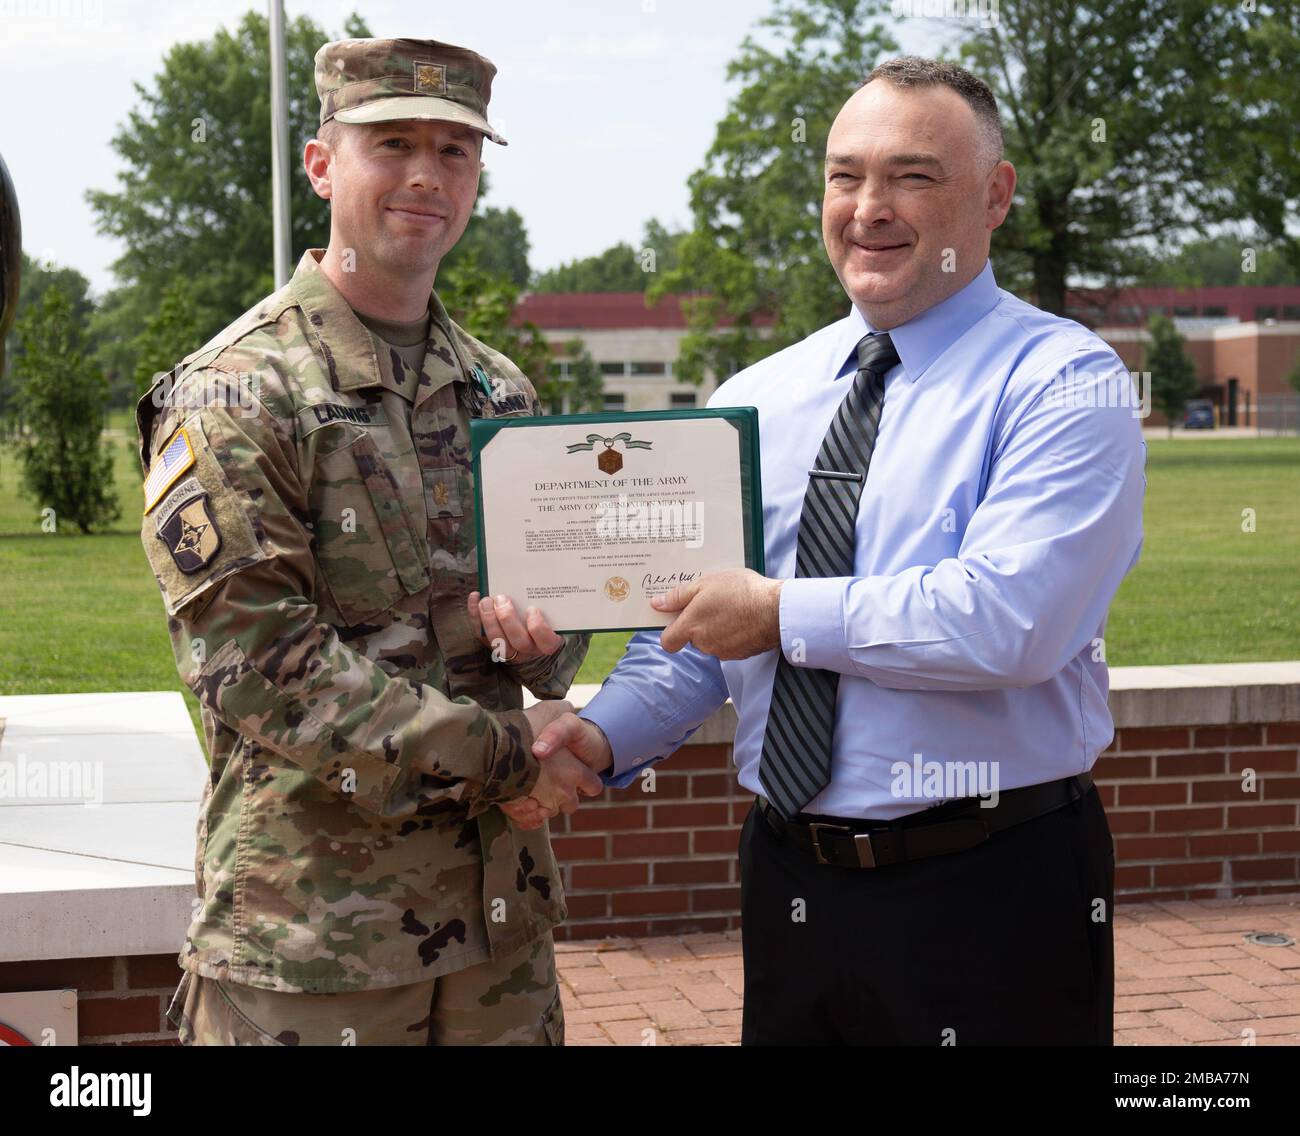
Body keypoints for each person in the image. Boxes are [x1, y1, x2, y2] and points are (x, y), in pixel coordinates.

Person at [515, 56, 1146, 1046]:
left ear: (995, 196)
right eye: (843, 175)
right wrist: (597, 738)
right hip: (791, 882)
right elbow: (695, 630)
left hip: (993, 885)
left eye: (912, 175)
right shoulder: (756, 396)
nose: (868, 207)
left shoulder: (1064, 380)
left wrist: (776, 610)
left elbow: (1006, 621)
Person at [136, 36, 601, 1046]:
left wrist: (544, 647)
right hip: (318, 947)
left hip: (498, 933)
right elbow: (262, 667)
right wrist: (511, 755)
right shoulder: (233, 393)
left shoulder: (499, 393)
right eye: (392, 143)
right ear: (321, 164)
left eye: (456, 151)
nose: (427, 176)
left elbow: (559, 632)